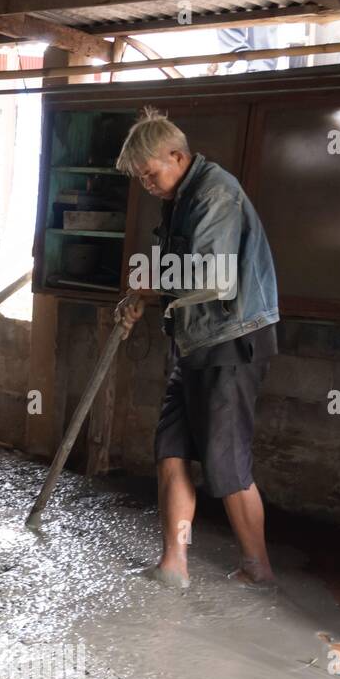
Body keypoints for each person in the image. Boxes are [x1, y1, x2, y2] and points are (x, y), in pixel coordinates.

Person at [113, 108, 279, 588]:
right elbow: (173, 271)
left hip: (231, 342)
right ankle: (174, 563)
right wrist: (141, 294)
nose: (147, 184)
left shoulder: (215, 193)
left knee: (225, 463)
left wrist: (147, 285)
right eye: (141, 179)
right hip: (192, 341)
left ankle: (257, 568)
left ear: (177, 156)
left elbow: (213, 275)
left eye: (150, 174)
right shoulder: (178, 197)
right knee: (171, 449)